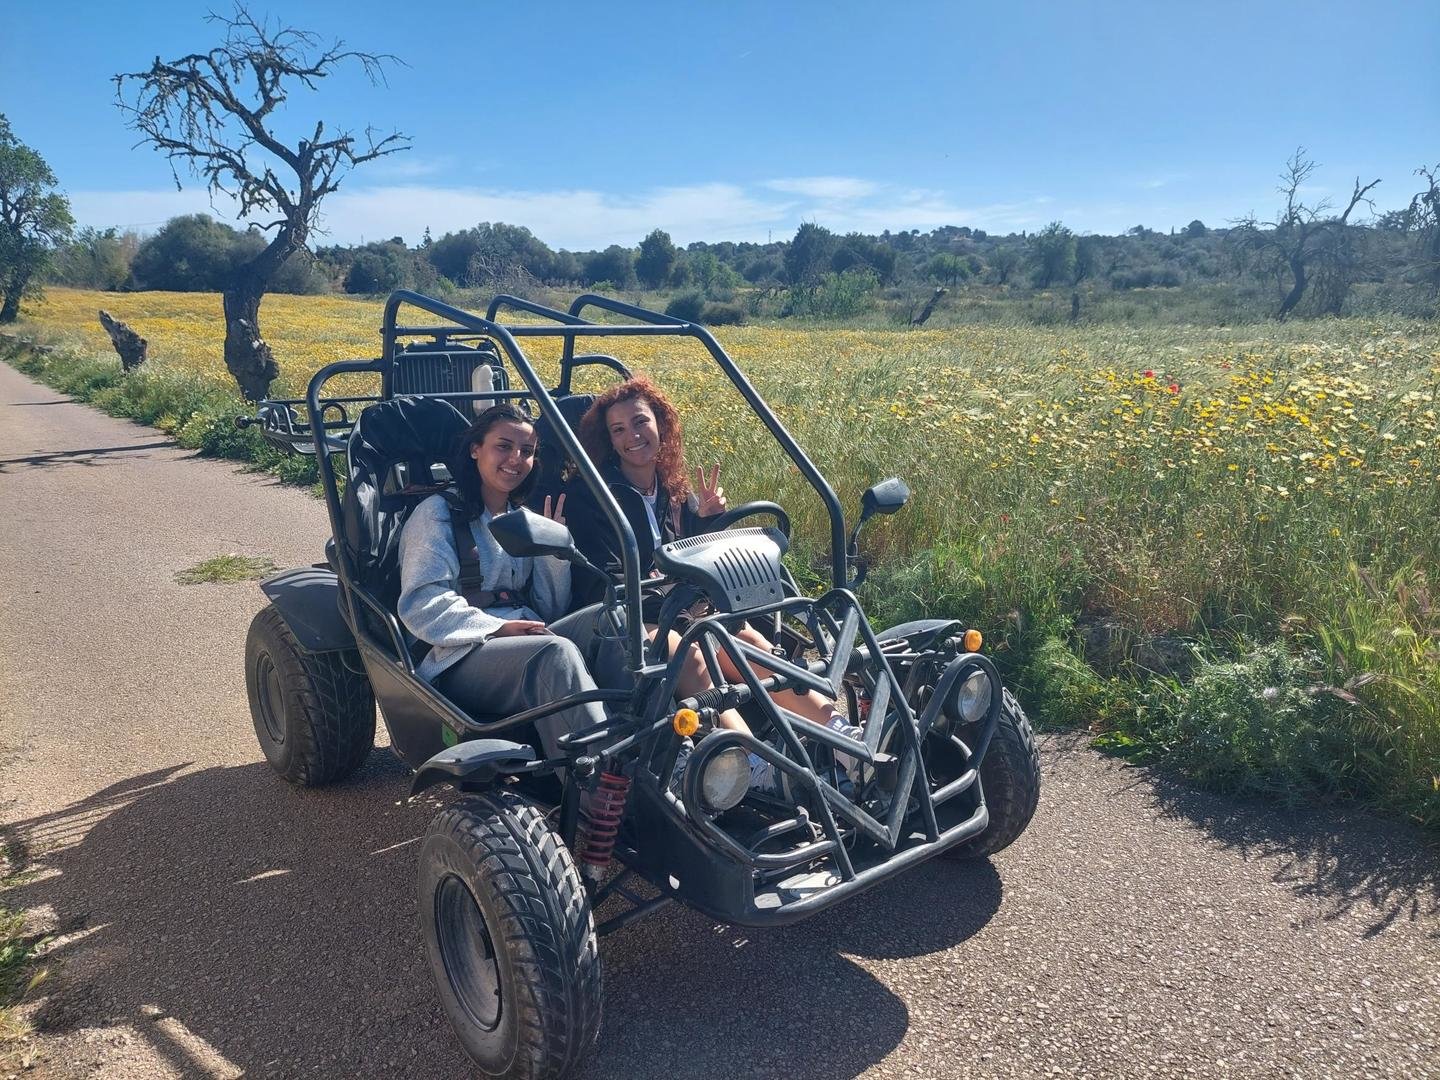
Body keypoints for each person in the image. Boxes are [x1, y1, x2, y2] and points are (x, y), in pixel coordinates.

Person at [563, 376, 857, 745]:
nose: (632, 436)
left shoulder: (673, 489)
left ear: (660, 424)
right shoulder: (592, 495)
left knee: (751, 644)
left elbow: (692, 554)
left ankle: (842, 739)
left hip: (686, 610)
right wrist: (681, 601)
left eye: (640, 422)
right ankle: (749, 759)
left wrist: (706, 521)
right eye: (618, 429)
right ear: (609, 439)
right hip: (629, 617)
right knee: (691, 655)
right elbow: (607, 580)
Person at [396, 403, 603, 760]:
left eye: (527, 450)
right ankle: (600, 776)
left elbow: (551, 608)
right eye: (503, 446)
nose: (515, 459)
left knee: (611, 620)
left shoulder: (523, 520)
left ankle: (657, 754)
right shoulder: (436, 514)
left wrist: (553, 555)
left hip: (522, 641)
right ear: (475, 449)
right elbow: (421, 605)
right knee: (555, 653)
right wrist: (497, 627)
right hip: (458, 654)